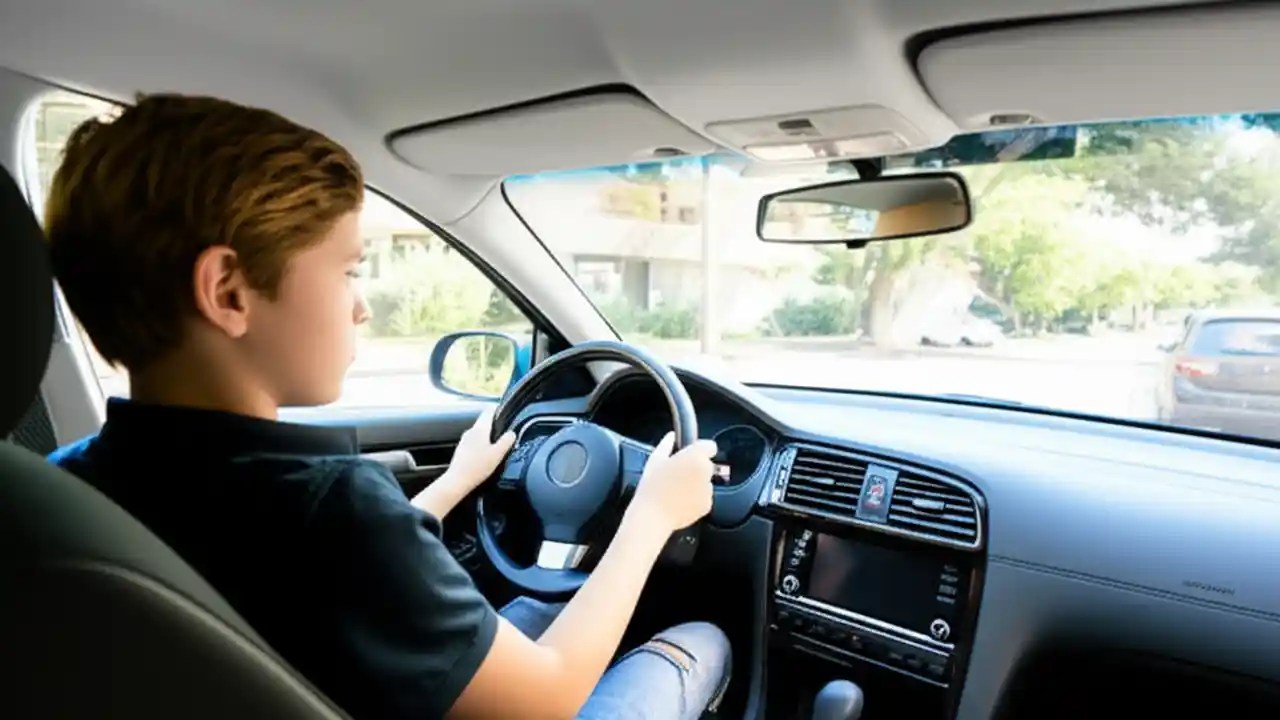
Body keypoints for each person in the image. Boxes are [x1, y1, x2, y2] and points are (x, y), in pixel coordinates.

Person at [44, 94, 731, 720]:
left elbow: (317, 576)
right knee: (699, 643)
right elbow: (545, 699)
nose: (361, 305)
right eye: (346, 270)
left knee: (528, 606)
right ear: (228, 291)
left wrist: (459, 481)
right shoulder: (335, 511)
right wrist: (652, 516)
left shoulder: (66, 483)